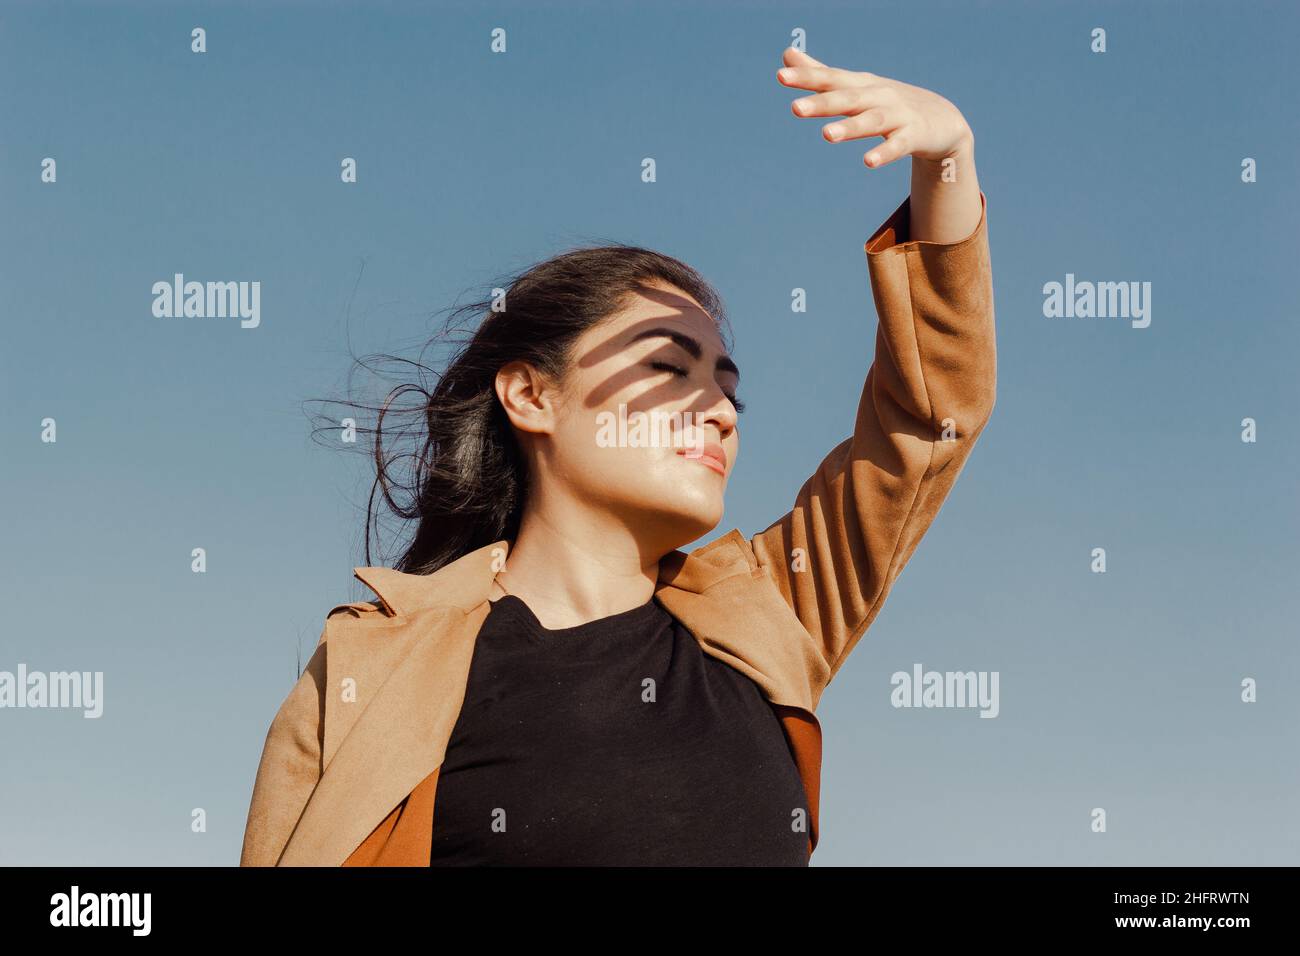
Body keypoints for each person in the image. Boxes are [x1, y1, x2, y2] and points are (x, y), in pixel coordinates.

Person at [240, 47, 996, 867]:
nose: (718, 413)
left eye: (729, 392)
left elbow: (929, 419)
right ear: (530, 395)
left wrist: (947, 163)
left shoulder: (770, 615)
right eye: (669, 369)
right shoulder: (373, 665)